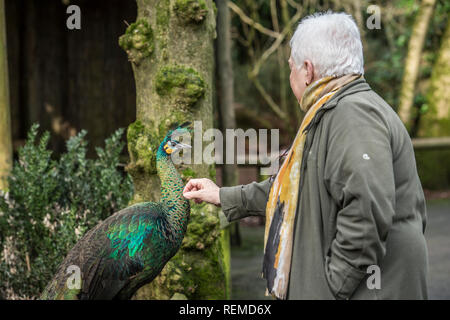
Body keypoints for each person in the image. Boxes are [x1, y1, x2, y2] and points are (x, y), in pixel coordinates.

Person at [183, 11, 428, 300]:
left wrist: (333, 286)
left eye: (292, 68)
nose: (291, 76)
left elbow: (367, 210)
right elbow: (296, 192)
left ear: (308, 70)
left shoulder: (352, 114)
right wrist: (223, 195)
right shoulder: (332, 111)